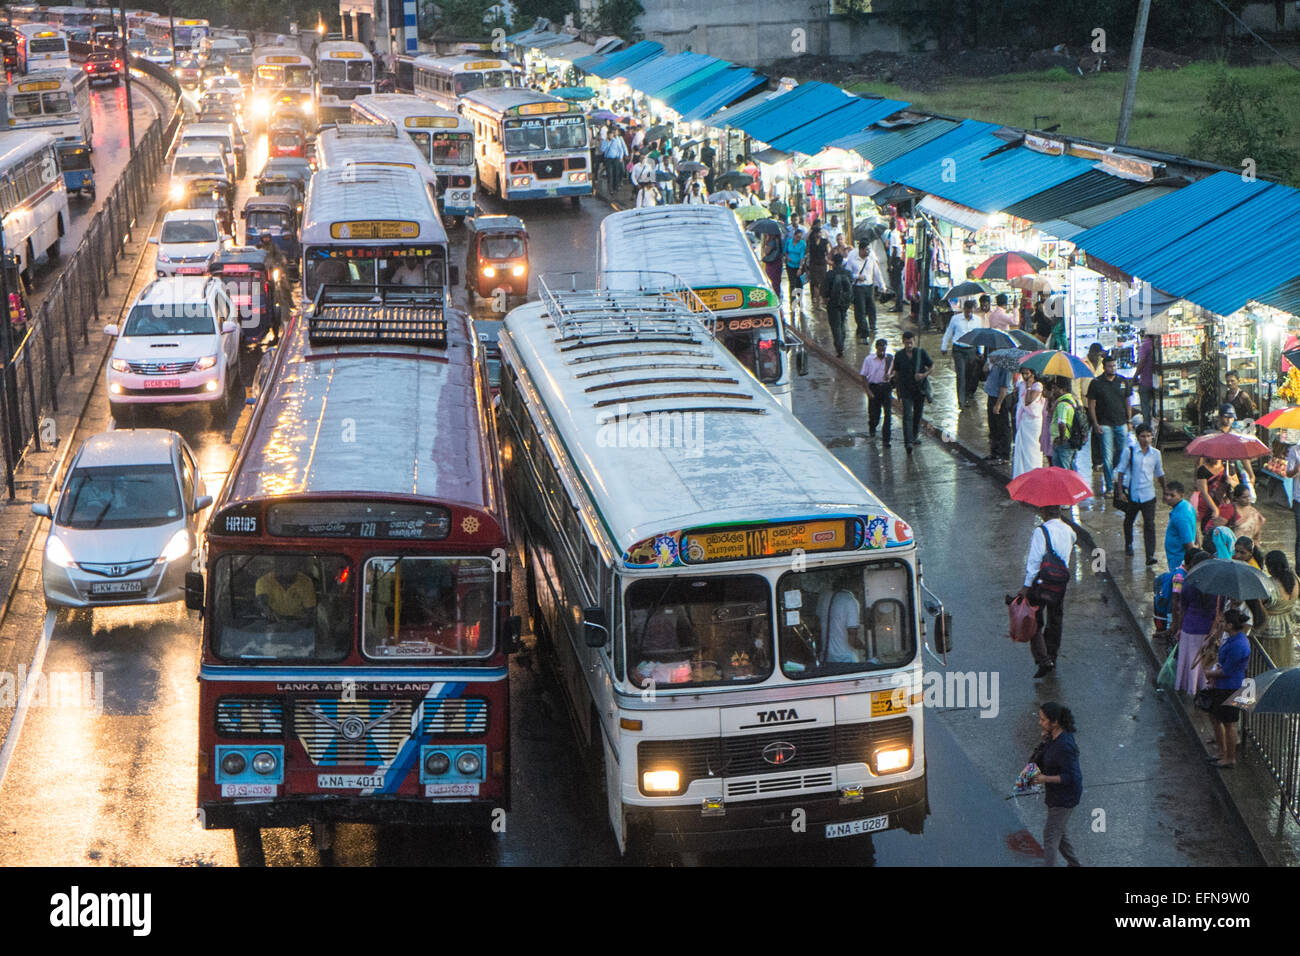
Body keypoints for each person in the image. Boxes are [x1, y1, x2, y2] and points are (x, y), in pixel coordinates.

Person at [1020, 505, 1077, 678]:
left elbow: (1034, 561)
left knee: (1034, 621)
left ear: (1044, 512)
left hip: (1040, 583)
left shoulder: (1041, 531)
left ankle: (1043, 659)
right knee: (1055, 619)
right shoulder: (1069, 531)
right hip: (1059, 584)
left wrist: (1025, 587)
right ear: (1059, 512)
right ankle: (1052, 656)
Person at [1029, 701, 1082, 866]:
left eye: (1043, 720)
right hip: (1056, 794)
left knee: (1050, 836)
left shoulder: (1065, 745)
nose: (1040, 722)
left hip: (1064, 798)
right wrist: (1045, 741)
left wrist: (1045, 779)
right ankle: (1074, 864)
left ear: (1055, 722)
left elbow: (1071, 777)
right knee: (1059, 832)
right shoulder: (1053, 737)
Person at [1204, 608, 1252, 768]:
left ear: (1230, 625)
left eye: (1224, 622)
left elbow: (1227, 671)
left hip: (1231, 687)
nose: (1221, 623)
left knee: (1229, 723)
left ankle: (1230, 758)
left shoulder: (1239, 645)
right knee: (1217, 718)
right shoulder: (1233, 640)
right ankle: (1222, 752)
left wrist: (1208, 674)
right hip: (1224, 686)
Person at [1114, 421, 1165, 565]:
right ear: (1138, 437)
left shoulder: (1156, 454)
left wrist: (1164, 489)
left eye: (1149, 436)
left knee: (1149, 524)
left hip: (1149, 495)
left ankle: (1150, 554)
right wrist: (1120, 492)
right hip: (1133, 494)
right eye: (1143, 436)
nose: (1146, 439)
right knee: (1129, 520)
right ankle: (1128, 544)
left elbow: (1159, 473)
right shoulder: (1129, 452)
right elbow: (1121, 471)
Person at [1172, 550, 1217, 696]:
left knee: (1190, 660)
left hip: (1189, 627)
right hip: (1207, 629)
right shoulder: (1216, 589)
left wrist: (1178, 628)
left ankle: (1190, 688)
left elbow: (1182, 608)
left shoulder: (1188, 584)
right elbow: (1219, 610)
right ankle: (1204, 687)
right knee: (1204, 661)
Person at [1087, 353, 1131, 496]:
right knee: (1107, 457)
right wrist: (1095, 423)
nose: (1113, 368)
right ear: (1104, 367)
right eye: (1110, 366)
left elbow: (1127, 402)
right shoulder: (1096, 383)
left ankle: (1121, 484)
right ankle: (1110, 487)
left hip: (1121, 422)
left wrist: (1129, 420)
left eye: (1114, 366)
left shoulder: (1122, 382)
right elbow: (1091, 404)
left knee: (1123, 454)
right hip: (1104, 423)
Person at [1254, 551, 1298, 669]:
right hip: (1287, 625)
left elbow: (1259, 606)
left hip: (1269, 628)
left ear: (1269, 567)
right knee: (1284, 659)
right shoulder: (1295, 580)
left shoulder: (1269, 584)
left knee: (1267, 663)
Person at [892, 330, 932, 452]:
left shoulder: (921, 353)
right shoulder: (899, 356)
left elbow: (931, 366)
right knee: (907, 415)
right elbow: (897, 373)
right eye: (907, 343)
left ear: (914, 341)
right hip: (905, 390)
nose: (909, 345)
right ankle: (908, 441)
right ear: (903, 342)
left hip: (919, 390)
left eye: (911, 343)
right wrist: (898, 392)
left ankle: (914, 435)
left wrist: (923, 375)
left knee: (917, 414)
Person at [842, 237, 885, 344]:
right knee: (860, 311)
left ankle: (872, 326)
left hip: (869, 287)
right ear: (860, 250)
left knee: (871, 308)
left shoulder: (871, 259)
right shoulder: (852, 259)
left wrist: (882, 286)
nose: (868, 252)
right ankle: (864, 332)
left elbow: (877, 273)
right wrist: (857, 276)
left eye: (868, 250)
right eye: (866, 250)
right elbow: (847, 274)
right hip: (858, 288)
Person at [940, 299, 979, 409]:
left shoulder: (977, 321)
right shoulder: (956, 319)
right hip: (958, 350)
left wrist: (980, 351)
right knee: (961, 375)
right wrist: (944, 346)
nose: (969, 314)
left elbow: (979, 335)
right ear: (964, 309)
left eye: (972, 311)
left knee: (969, 375)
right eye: (968, 311)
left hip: (971, 350)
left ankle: (966, 396)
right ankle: (961, 400)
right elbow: (949, 332)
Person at [1013, 366, 1045, 477]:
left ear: (1032, 373)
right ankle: (1021, 475)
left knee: (1032, 449)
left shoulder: (1038, 386)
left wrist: (1029, 387)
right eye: (1023, 374)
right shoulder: (1021, 384)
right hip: (1023, 420)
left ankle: (1034, 474)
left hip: (1033, 422)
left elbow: (1027, 401)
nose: (1025, 376)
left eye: (1027, 374)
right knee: (1022, 448)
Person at [860, 337, 893, 445]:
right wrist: (868, 391)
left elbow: (895, 372)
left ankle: (886, 439)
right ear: (876, 349)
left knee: (888, 414)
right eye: (880, 350)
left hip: (886, 388)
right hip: (874, 388)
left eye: (884, 350)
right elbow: (864, 376)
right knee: (875, 414)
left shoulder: (889, 359)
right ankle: (872, 426)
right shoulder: (868, 360)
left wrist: (890, 375)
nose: (882, 352)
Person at [818, 587, 862, 663]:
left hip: (826, 656)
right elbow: (852, 639)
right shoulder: (850, 601)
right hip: (844, 658)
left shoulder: (824, 597)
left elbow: (817, 625)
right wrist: (866, 648)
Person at [1163, 481, 1198, 572]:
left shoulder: (1181, 517)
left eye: (1172, 495)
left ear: (1181, 496)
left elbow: (1188, 545)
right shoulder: (1187, 505)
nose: (1168, 498)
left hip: (1178, 561)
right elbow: (1196, 527)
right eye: (1166, 494)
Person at [984, 353, 1012, 463]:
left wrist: (998, 404)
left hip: (1001, 398)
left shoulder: (1005, 366)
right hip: (991, 395)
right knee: (993, 426)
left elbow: (1003, 388)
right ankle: (994, 452)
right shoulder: (994, 363)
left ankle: (1004, 455)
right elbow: (986, 374)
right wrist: (988, 365)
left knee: (1002, 427)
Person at [1051, 383, 1083, 470]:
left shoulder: (1062, 404)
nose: (1054, 391)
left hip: (1064, 441)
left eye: (1055, 388)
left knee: (1063, 470)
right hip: (1072, 439)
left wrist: (1061, 439)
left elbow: (1062, 423)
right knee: (1070, 467)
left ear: (1063, 389)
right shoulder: (1073, 401)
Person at [805, 224, 830, 306]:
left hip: (822, 264)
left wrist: (828, 261)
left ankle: (822, 298)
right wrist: (810, 231)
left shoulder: (824, 241)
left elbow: (828, 252)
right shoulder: (810, 242)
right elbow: (807, 250)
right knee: (815, 283)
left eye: (819, 232)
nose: (818, 234)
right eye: (817, 233)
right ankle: (818, 300)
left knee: (822, 282)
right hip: (813, 264)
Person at [1135, 334, 1156, 425]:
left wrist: (1135, 375)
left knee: (1145, 406)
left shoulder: (1145, 344)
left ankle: (1147, 426)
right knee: (1155, 405)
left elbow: (1142, 361)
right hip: (1156, 381)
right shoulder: (1155, 344)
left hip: (1146, 381)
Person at [783, 227, 807, 309]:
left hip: (798, 266)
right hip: (790, 265)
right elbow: (785, 251)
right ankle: (792, 302)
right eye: (797, 237)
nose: (798, 239)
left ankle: (800, 300)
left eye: (800, 237)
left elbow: (802, 257)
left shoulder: (802, 244)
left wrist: (800, 268)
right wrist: (787, 257)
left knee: (799, 284)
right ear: (794, 235)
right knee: (792, 283)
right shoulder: (788, 242)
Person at [601, 128, 628, 192]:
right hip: (608, 159)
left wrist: (621, 157)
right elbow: (602, 149)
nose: (610, 136)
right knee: (610, 174)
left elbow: (620, 149)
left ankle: (616, 187)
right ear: (607, 135)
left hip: (616, 159)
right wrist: (607, 143)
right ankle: (610, 189)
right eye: (609, 135)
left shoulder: (616, 140)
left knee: (616, 173)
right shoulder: (605, 141)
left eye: (611, 135)